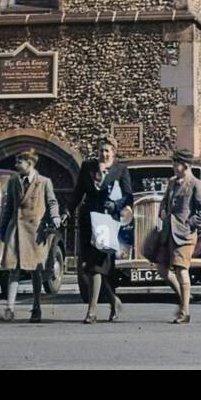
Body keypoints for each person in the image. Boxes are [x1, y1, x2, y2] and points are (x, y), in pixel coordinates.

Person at [70, 135, 133, 323]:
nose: (103, 154)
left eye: (107, 151)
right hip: (88, 222)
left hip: (107, 223)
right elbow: (77, 193)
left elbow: (128, 196)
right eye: (101, 150)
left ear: (113, 152)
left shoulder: (120, 170)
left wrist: (116, 205)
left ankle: (92, 310)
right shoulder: (88, 168)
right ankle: (113, 301)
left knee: (96, 266)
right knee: (86, 268)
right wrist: (67, 211)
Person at [145, 149, 201, 324]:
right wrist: (162, 212)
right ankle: (183, 297)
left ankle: (185, 311)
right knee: (162, 269)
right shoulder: (172, 182)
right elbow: (164, 202)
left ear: (186, 165)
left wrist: (190, 222)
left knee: (182, 270)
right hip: (168, 233)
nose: (174, 167)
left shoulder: (196, 184)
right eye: (174, 163)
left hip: (185, 236)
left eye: (177, 163)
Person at [0, 148, 60, 323]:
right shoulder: (13, 182)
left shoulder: (44, 182)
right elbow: (8, 207)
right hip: (16, 231)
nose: (16, 165)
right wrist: (3, 230)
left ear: (30, 164)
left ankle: (36, 307)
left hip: (35, 232)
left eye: (19, 162)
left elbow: (52, 202)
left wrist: (55, 216)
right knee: (13, 270)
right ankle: (9, 308)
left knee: (36, 272)